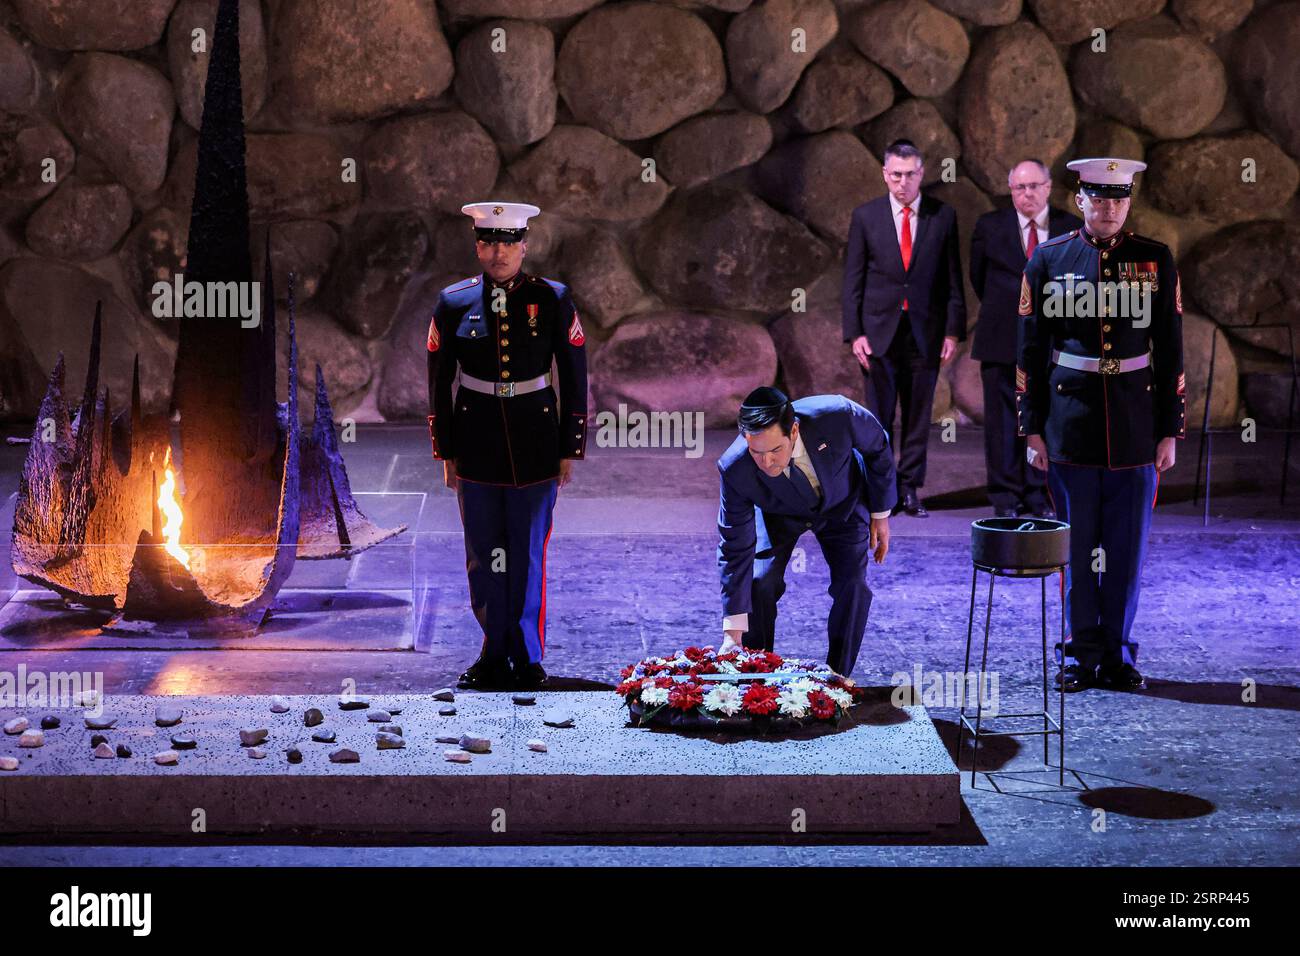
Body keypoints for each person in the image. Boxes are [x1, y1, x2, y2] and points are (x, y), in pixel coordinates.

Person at [1017, 158, 1185, 693]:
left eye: (1119, 198)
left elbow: (1172, 348)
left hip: (1136, 426)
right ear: (1079, 200)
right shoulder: (1049, 259)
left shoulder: (1154, 260)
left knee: (1126, 549)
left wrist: (1170, 430)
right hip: (1070, 425)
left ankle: (1117, 654)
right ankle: (1079, 652)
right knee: (1076, 547)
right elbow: (1029, 348)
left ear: (1128, 202)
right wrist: (1032, 428)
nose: (1110, 207)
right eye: (1099, 197)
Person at [426, 201, 588, 690]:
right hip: (475, 441)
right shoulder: (453, 302)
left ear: (525, 245)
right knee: (483, 555)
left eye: (509, 242)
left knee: (527, 554)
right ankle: (494, 652)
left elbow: (575, 377)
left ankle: (528, 656)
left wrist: (569, 446)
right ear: (477, 246)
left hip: (536, 440)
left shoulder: (553, 298)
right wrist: (445, 450)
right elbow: (438, 380)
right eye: (490, 242)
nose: (499, 252)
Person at [716, 387, 896, 676]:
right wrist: (732, 634)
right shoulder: (735, 468)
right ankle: (756, 674)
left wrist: (881, 513)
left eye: (775, 450)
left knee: (853, 586)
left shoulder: (838, 414)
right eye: (756, 452)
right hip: (778, 512)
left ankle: (838, 676)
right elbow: (734, 546)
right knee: (760, 582)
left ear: (794, 431)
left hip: (842, 506)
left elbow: (877, 447)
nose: (766, 462)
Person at [841, 139, 967, 518]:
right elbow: (853, 280)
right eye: (896, 175)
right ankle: (880, 491)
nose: (903, 183)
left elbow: (952, 280)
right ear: (885, 175)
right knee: (877, 418)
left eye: (910, 175)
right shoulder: (866, 217)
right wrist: (855, 333)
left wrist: (952, 331)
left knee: (918, 415)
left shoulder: (941, 217)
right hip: (878, 332)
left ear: (921, 175)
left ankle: (910, 487)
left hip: (925, 332)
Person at [970, 159, 1082, 518]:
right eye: (1020, 187)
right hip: (1000, 340)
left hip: (1053, 346)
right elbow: (978, 279)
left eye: (1034, 186)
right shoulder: (989, 226)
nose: (1027, 193)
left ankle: (1038, 493)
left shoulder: (1071, 227)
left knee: (1044, 418)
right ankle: (1004, 496)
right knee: (1002, 424)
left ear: (1048, 188)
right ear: (1011, 191)